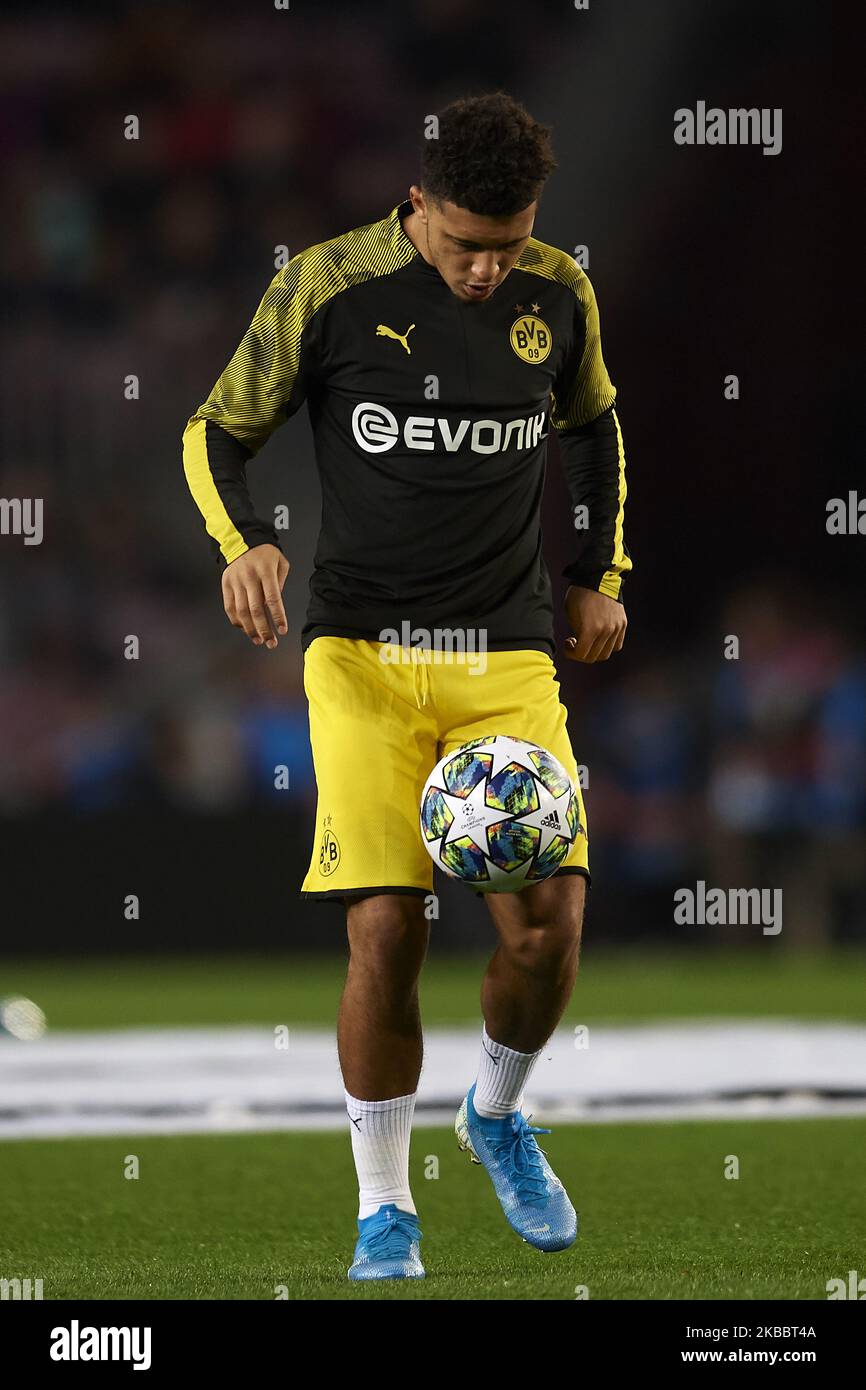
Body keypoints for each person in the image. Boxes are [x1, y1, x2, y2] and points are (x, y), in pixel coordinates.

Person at [182, 92, 631, 1280]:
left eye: (510, 241)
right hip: (364, 653)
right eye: (465, 242)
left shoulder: (556, 292)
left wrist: (596, 571)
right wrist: (244, 544)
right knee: (385, 927)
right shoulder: (329, 286)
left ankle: (494, 1114)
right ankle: (386, 1207)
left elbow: (593, 429)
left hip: (504, 651)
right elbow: (214, 431)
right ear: (417, 205)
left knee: (549, 927)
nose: (488, 268)